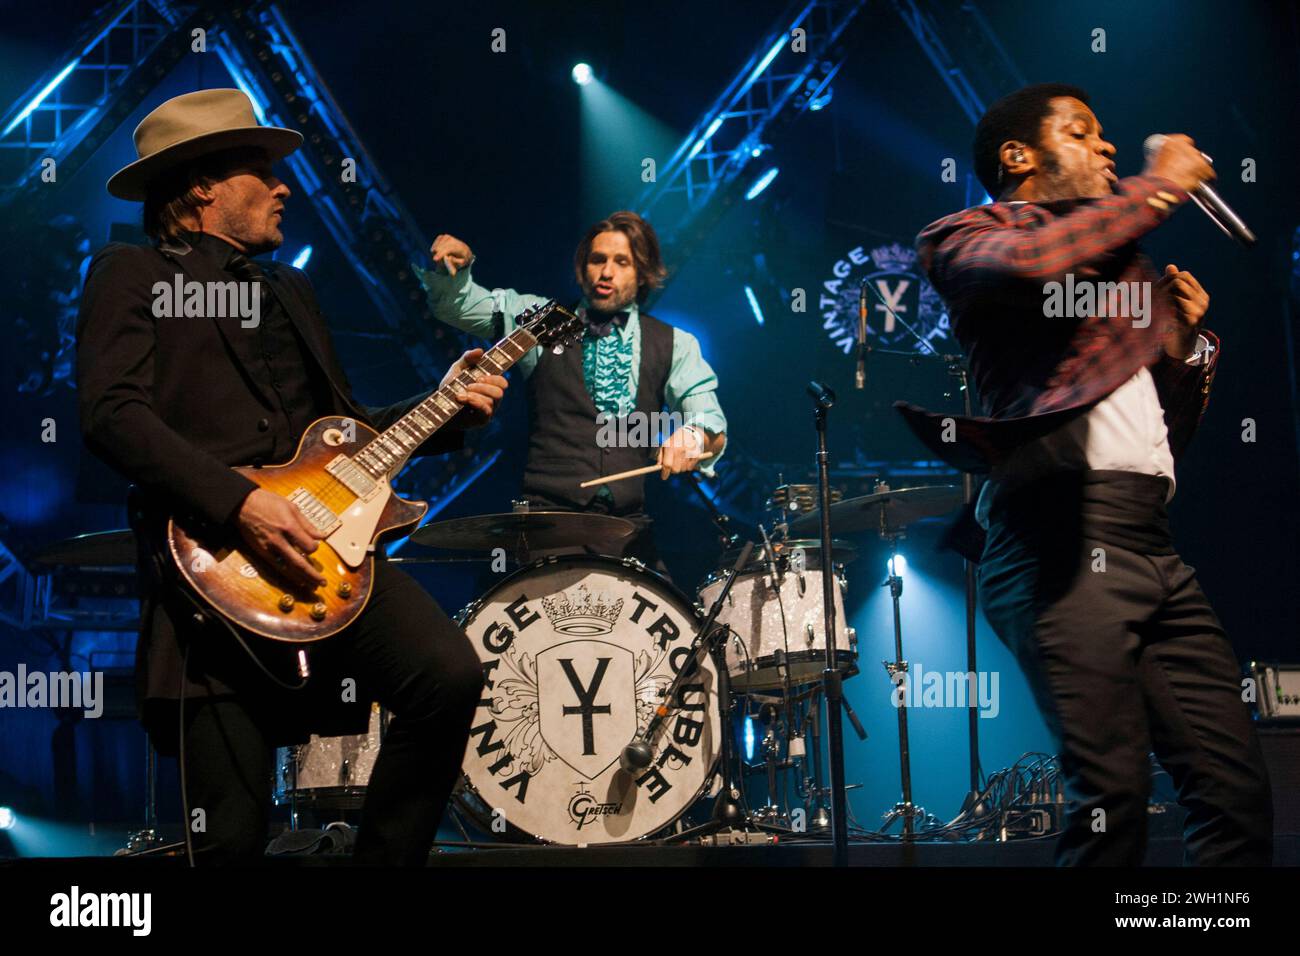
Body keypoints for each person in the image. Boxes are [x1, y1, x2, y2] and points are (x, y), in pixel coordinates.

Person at [77, 89, 508, 865]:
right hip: (211, 573)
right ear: (201, 185)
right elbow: (111, 415)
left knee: (447, 674)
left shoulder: (290, 291)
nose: (284, 185)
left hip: (324, 560)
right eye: (260, 168)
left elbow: (340, 435)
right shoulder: (130, 271)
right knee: (233, 837)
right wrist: (240, 502)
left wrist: (445, 408)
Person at [896, 83, 1272, 865]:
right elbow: (1038, 259)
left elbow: (1155, 437)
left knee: (1233, 793)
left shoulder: (1118, 261)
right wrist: (1161, 183)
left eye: (1106, 135)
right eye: (1082, 132)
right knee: (1112, 799)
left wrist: (1180, 351)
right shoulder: (967, 234)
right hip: (1059, 538)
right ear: (1017, 156)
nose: (1106, 147)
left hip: (1151, 541)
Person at [417, 211, 726, 573]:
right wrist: (457, 270)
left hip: (627, 532)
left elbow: (710, 425)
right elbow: (459, 306)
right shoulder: (538, 317)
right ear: (583, 268)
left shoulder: (675, 344)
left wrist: (692, 437)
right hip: (543, 527)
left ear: (642, 272)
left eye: (621, 262)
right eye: (598, 260)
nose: (606, 272)